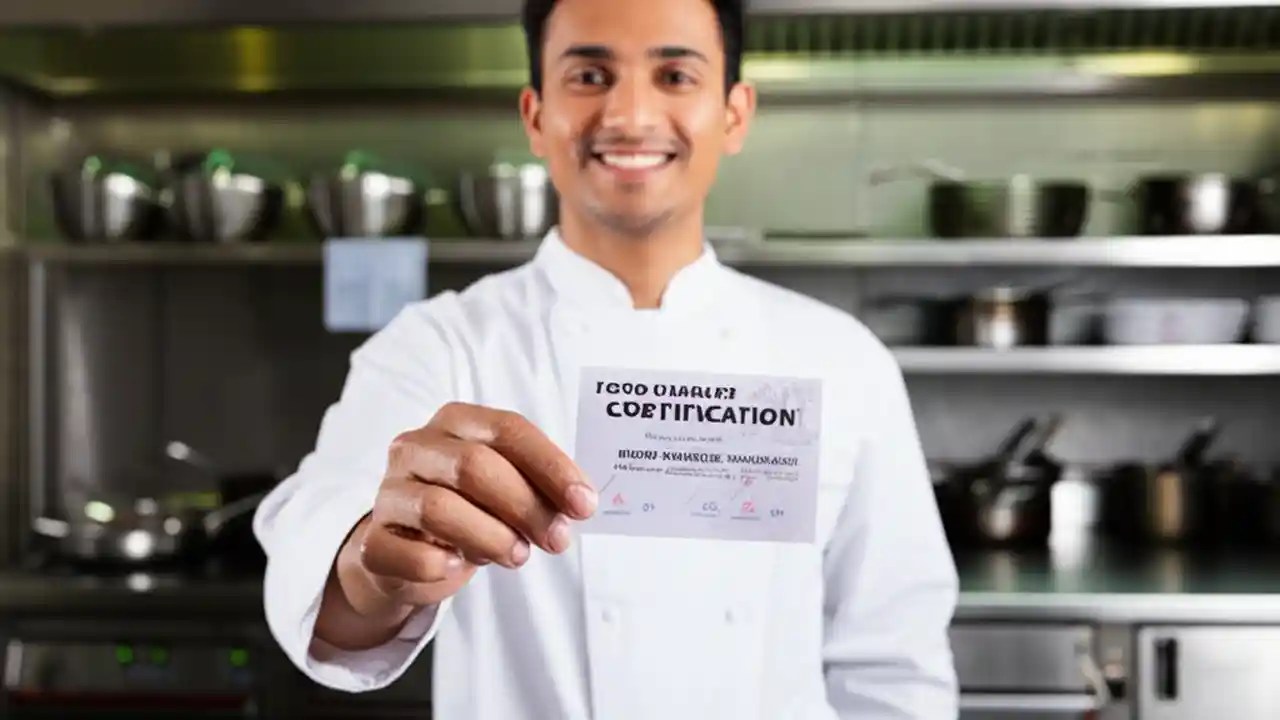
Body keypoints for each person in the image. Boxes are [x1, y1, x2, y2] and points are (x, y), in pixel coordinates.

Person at [254, 0, 959, 717]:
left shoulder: (841, 360)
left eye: (675, 75)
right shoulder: (440, 346)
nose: (628, 115)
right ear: (534, 115)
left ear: (735, 114)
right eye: (590, 74)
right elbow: (319, 569)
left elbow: (894, 668)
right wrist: (377, 566)